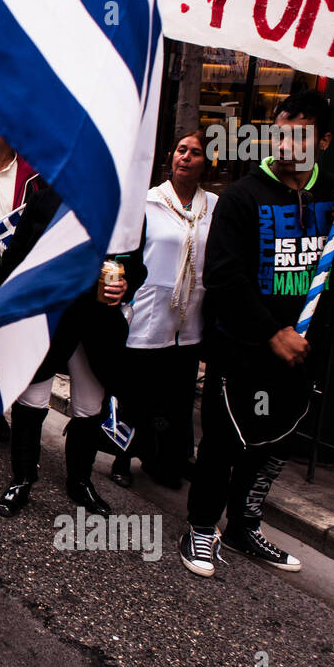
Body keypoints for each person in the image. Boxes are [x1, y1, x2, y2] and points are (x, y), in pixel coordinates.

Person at [181, 90, 334, 577]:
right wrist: (270, 330)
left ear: (323, 140)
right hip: (243, 350)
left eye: (299, 133)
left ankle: (244, 526)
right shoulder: (243, 196)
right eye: (278, 131)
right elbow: (223, 276)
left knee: (274, 442)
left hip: (302, 354)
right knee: (225, 438)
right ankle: (200, 526)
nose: (285, 142)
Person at [0, 179, 145, 519]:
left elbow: (136, 264)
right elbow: (17, 255)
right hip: (47, 318)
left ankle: (79, 481)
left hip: (98, 324)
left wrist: (125, 283)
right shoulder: (46, 199)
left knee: (89, 408)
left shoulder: (127, 208)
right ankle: (22, 478)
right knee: (31, 401)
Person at [110, 130, 217, 490]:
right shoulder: (148, 202)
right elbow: (124, 253)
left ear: (207, 162)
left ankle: (163, 460)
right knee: (136, 393)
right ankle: (122, 457)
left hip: (189, 319)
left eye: (195, 152)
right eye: (180, 150)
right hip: (148, 311)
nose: (185, 157)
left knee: (176, 397)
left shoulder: (214, 207)